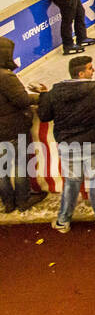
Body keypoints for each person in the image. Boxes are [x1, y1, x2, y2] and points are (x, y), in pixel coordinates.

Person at [38, 55, 95, 232]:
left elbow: (44, 115)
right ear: (80, 73)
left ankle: (62, 221)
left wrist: (43, 95)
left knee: (71, 183)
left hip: (68, 144)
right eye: (89, 68)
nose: (93, 70)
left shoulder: (55, 92)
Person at [0, 37, 45, 212]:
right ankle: (23, 199)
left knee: (2, 169)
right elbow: (22, 100)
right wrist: (41, 96)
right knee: (19, 164)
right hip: (13, 128)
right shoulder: (5, 76)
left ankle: (8, 203)